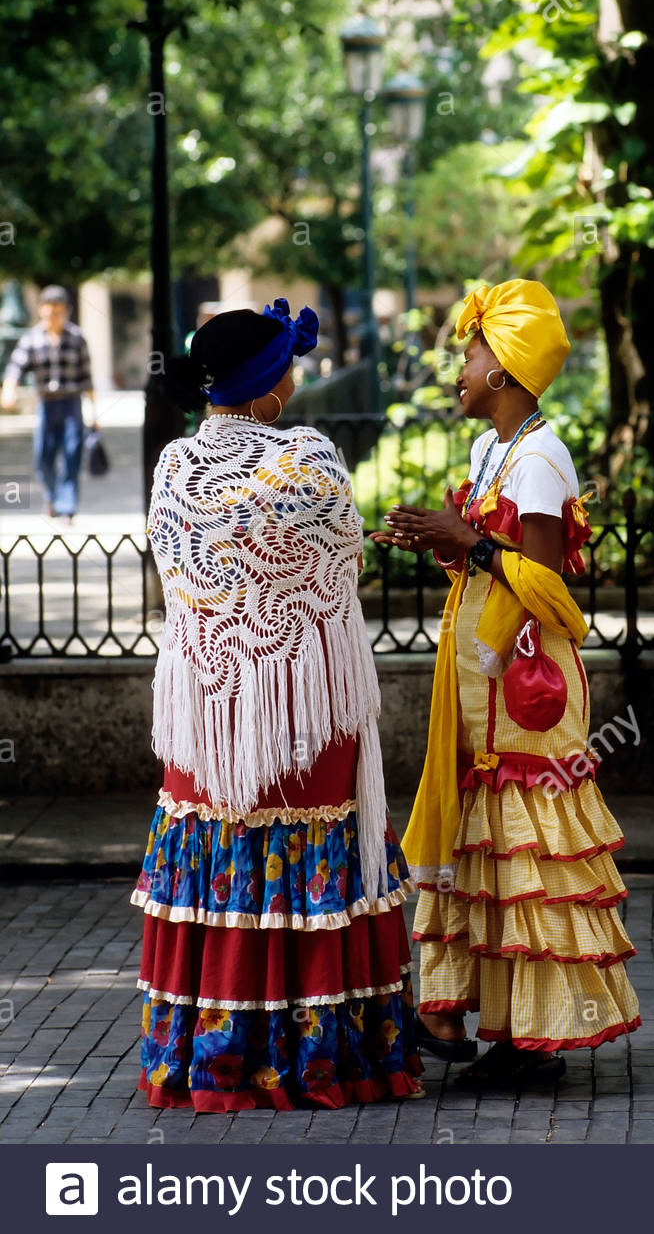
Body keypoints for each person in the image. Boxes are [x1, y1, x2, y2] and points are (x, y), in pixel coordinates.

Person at [133, 298, 424, 1111]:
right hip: (302, 711)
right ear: (266, 386)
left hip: (209, 714)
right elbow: (342, 561)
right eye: (287, 370)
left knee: (216, 852)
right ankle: (328, 1058)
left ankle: (210, 1059)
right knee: (312, 855)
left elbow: (188, 580)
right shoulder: (309, 457)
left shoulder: (173, 466)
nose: (295, 381)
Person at [372, 279, 641, 1087]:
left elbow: (551, 587)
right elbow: (495, 559)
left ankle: (532, 1043)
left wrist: (472, 543)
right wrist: (447, 544)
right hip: (480, 683)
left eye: (471, 350)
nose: (459, 364)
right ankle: (469, 1019)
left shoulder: (538, 457)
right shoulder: (492, 450)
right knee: (481, 839)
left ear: (507, 367)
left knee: (524, 841)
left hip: (526, 691)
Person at [0, 285, 100, 524]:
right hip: (46, 403)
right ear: (41, 310)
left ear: (66, 310)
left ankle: (67, 507)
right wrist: (9, 389)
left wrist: (95, 413)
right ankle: (52, 497)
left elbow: (87, 378)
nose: (53, 315)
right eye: (49, 310)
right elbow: (16, 367)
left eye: (58, 310)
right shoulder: (32, 338)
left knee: (72, 453)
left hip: (71, 402)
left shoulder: (77, 337)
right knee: (43, 456)